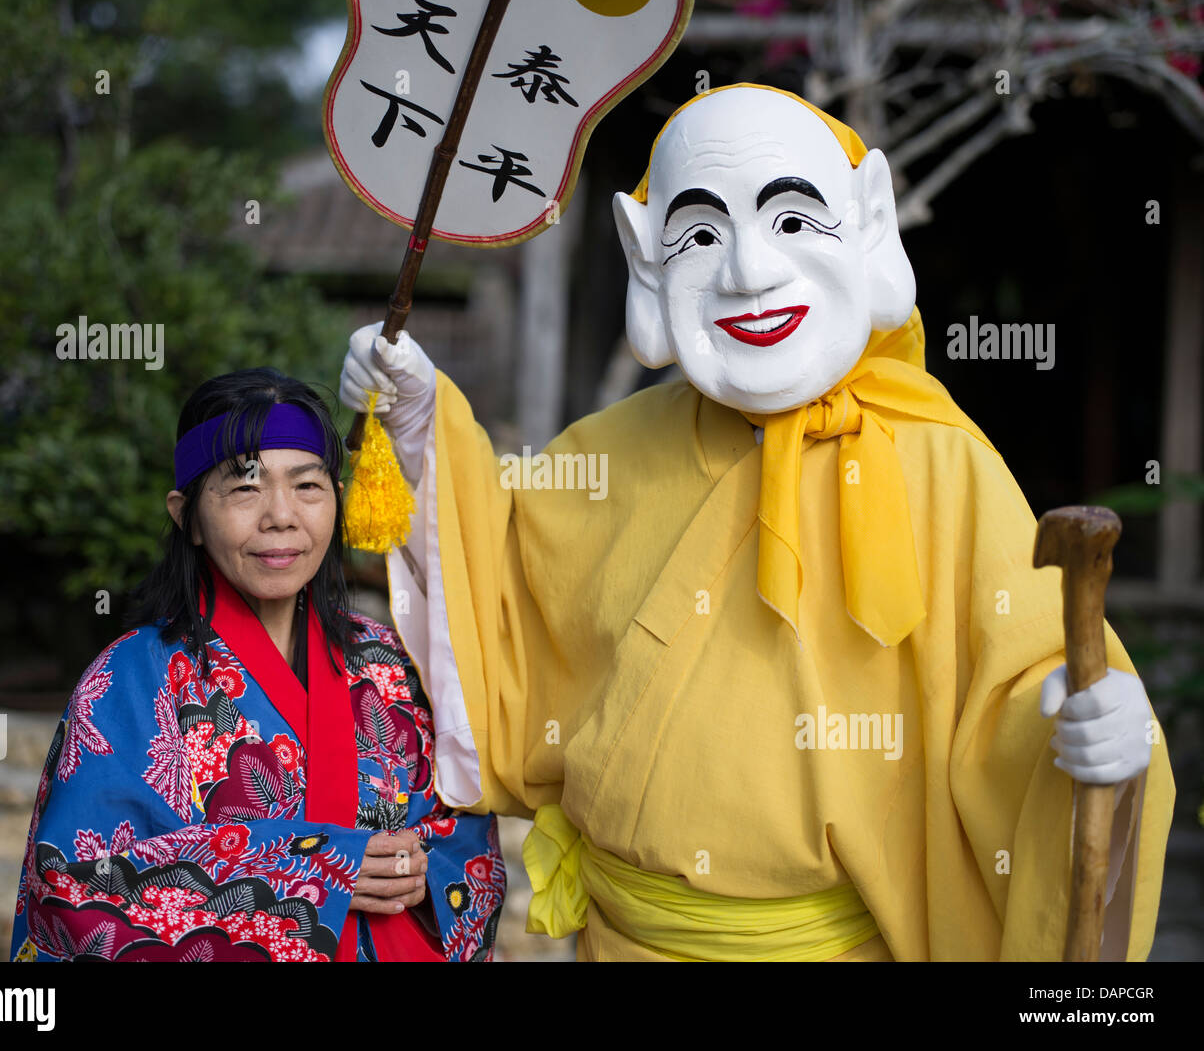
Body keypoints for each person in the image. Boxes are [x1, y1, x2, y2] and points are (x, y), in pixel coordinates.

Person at [339, 84, 1174, 961]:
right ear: (647, 259)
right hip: (621, 939)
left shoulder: (941, 466)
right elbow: (501, 594)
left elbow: (1022, 685)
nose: (745, 271)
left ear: (870, 222)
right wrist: (421, 426)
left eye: (790, 222)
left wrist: (1090, 738)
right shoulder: (611, 452)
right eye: (699, 235)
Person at [10, 368, 504, 962]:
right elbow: (71, 888)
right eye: (245, 488)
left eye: (307, 486)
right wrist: (312, 868)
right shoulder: (130, 682)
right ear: (186, 515)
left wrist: (418, 873)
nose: (281, 516)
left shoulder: (392, 666)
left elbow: (467, 838)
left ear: (337, 500)